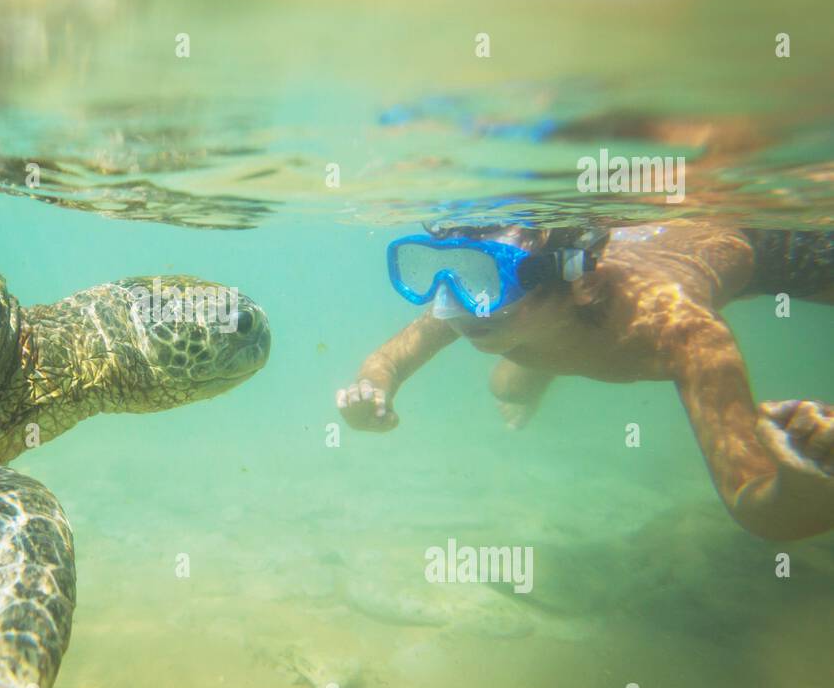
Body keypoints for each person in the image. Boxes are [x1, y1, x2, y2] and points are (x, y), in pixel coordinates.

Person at [335, 222, 834, 539]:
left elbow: (756, 505)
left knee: (509, 383)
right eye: (447, 270)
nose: (451, 302)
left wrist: (808, 485)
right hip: (557, 335)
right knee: (504, 387)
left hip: (767, 247)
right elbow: (389, 361)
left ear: (582, 281)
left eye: (485, 278)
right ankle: (540, 370)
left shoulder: (684, 331)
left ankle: (541, 368)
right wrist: (371, 391)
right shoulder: (476, 305)